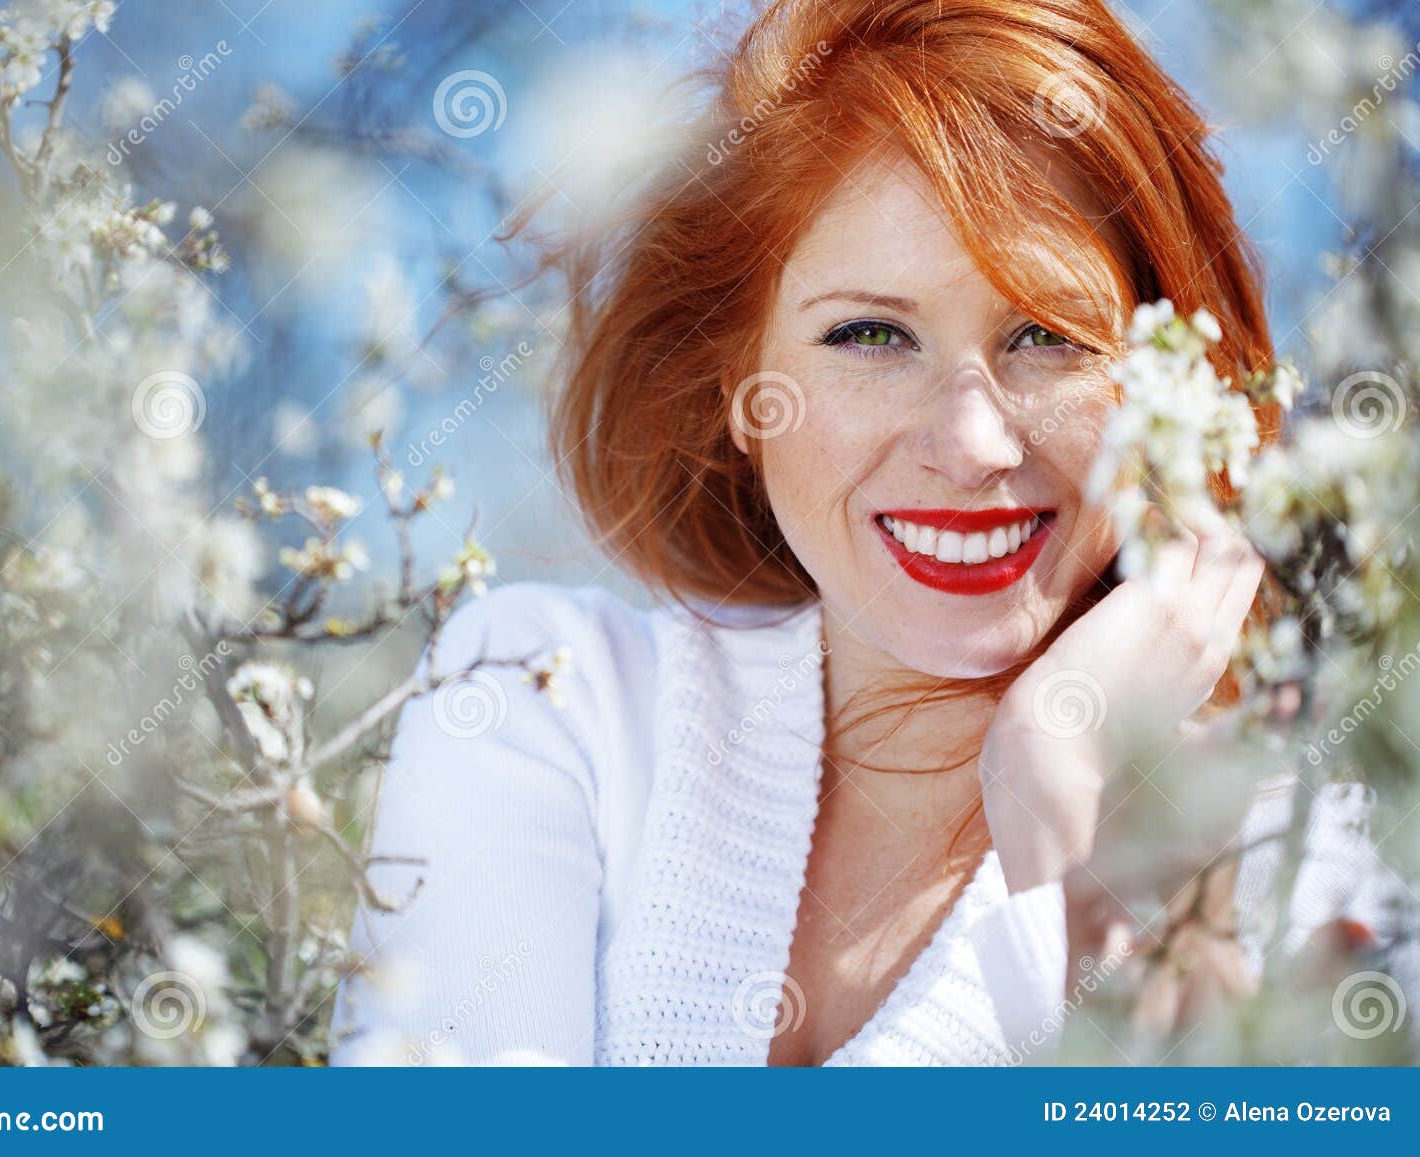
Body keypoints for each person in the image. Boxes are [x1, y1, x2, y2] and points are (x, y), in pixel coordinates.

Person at [331, 0, 1376, 1066]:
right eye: (869, 334)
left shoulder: (1305, 857)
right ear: (739, 383)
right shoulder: (540, 697)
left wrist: (1072, 826)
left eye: (1046, 337)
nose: (971, 443)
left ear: (1164, 380)